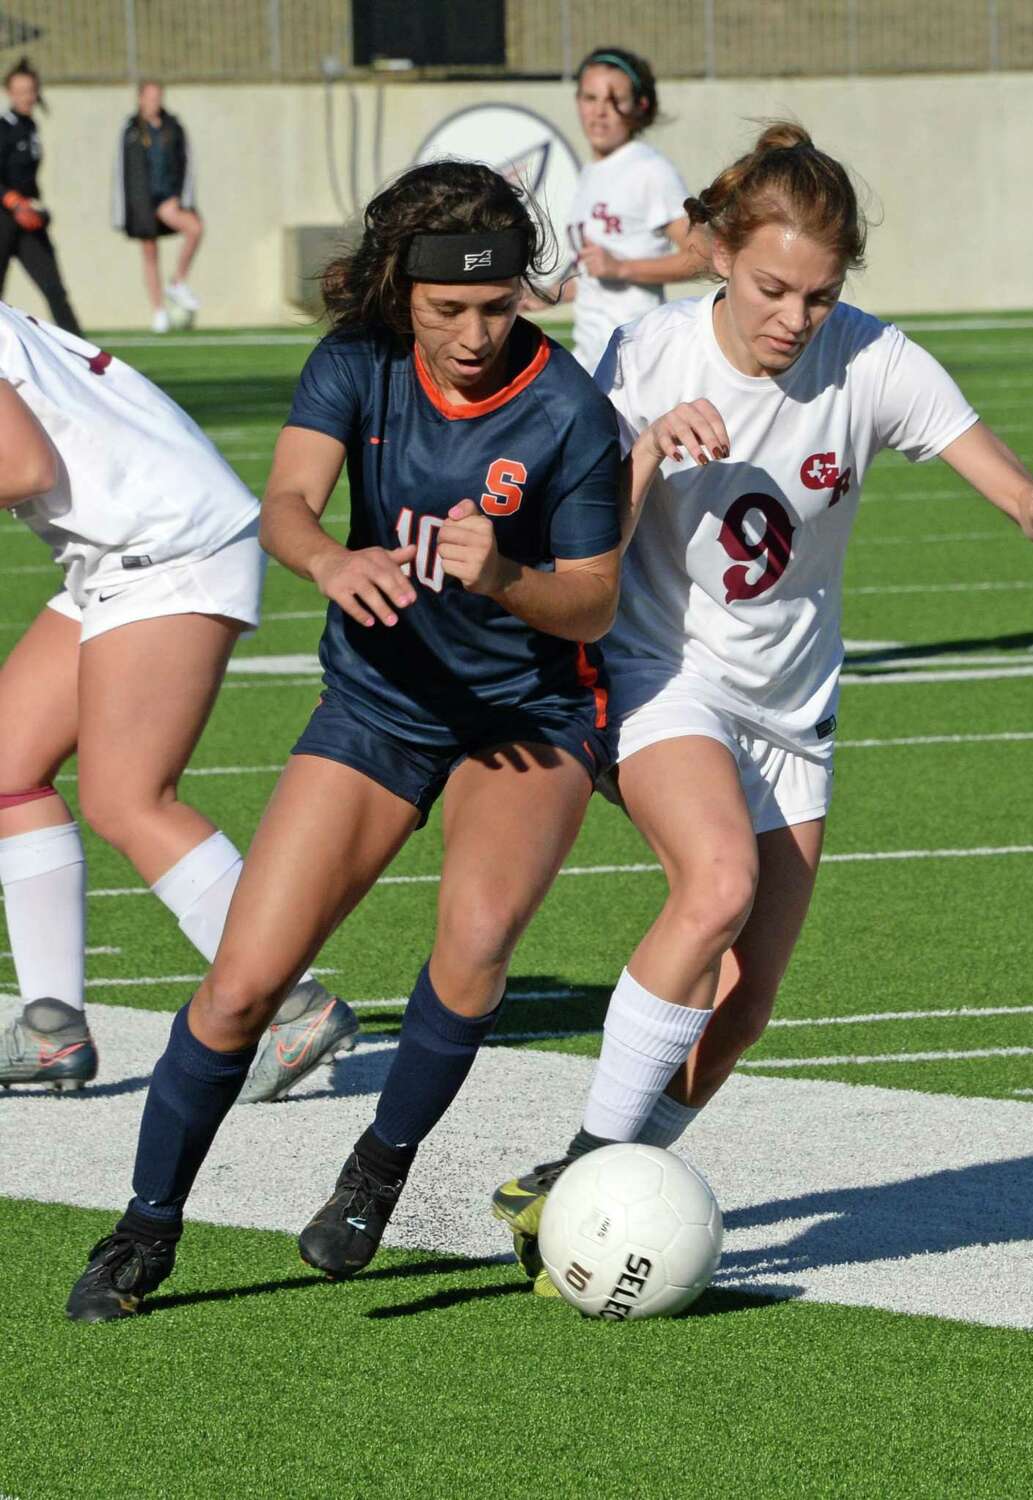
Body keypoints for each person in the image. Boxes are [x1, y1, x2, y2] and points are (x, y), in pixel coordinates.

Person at [491, 122, 1033, 1292]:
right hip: (661, 671)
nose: (794, 317)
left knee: (749, 1003)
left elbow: (1017, 503)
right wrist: (644, 455)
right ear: (721, 254)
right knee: (715, 887)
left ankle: (593, 1192)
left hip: (794, 711)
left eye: (819, 296)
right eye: (773, 287)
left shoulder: (875, 360)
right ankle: (583, 1179)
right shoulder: (648, 354)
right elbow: (585, 564)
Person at [64, 159, 623, 1323]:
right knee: (242, 989)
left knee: (473, 944)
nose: (475, 334)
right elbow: (283, 504)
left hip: (525, 723)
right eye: (446, 311)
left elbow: (596, 603)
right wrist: (329, 558)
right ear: (397, 291)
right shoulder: (355, 365)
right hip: (375, 708)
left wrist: (510, 576)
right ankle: (146, 1224)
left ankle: (379, 1165)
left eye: (500, 305)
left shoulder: (570, 411)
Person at [0, 304, 357, 1106]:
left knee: (127, 798)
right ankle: (50, 1026)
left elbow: (21, 467)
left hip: (166, 544)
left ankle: (293, 1000)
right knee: (8, 766)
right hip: (132, 542)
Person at [553, 46, 705, 374]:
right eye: (590, 98)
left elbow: (703, 255)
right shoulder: (590, 174)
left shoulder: (649, 170)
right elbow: (599, 276)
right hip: (591, 356)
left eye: (614, 100)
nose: (600, 112)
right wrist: (549, 293)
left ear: (640, 106)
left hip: (635, 360)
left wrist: (623, 268)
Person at [0, 58, 82, 337]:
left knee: (54, 287)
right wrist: (13, 201)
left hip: (26, 220)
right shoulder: (3, 128)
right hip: (4, 218)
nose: (27, 96)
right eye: (20, 90)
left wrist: (36, 208)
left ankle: (81, 358)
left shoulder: (31, 126)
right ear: (10, 92)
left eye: (31, 90)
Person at [113, 80, 203, 334]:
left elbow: (186, 163)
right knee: (150, 253)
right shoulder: (130, 130)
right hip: (141, 202)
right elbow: (122, 173)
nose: (154, 102)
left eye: (158, 97)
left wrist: (181, 198)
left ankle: (177, 282)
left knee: (194, 228)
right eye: (150, 97)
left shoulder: (172, 127)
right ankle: (159, 311)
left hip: (167, 198)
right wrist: (127, 211)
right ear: (140, 98)